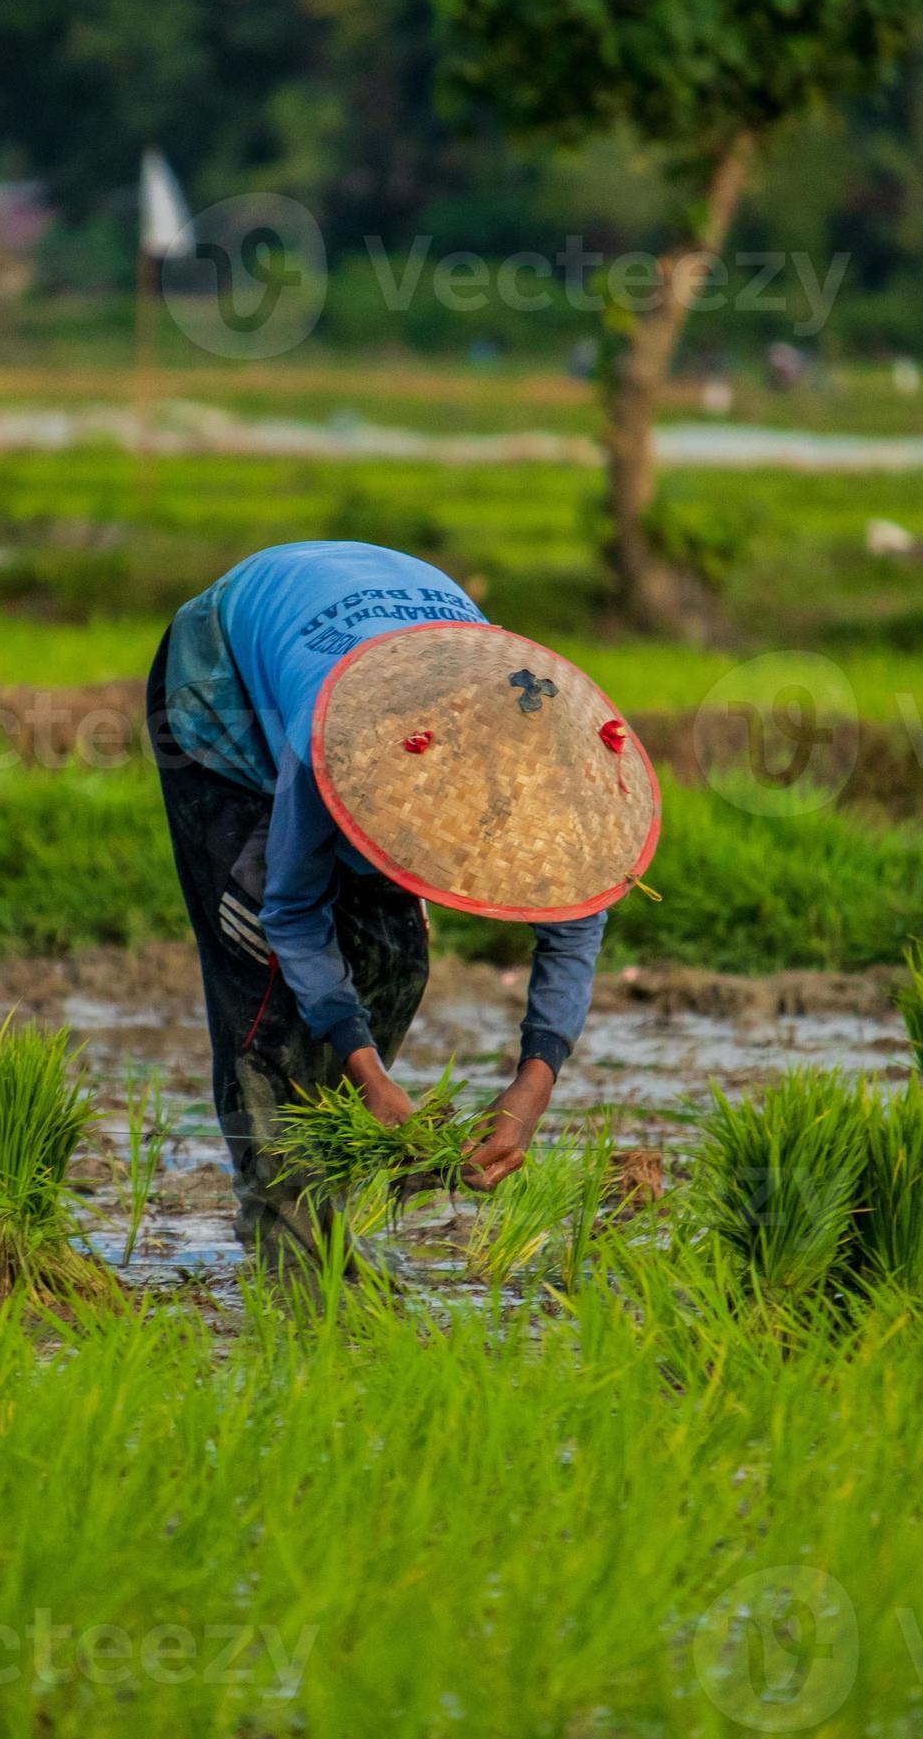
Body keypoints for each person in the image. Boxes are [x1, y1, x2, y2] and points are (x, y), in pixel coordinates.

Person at [146, 542, 660, 1274]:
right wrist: (373, 1078)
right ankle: (283, 1230)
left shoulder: (554, 776)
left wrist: (532, 1085)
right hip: (225, 678)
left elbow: (574, 930)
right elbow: (292, 913)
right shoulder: (338, 746)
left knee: (394, 955)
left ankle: (332, 1183)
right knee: (259, 951)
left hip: (387, 629)